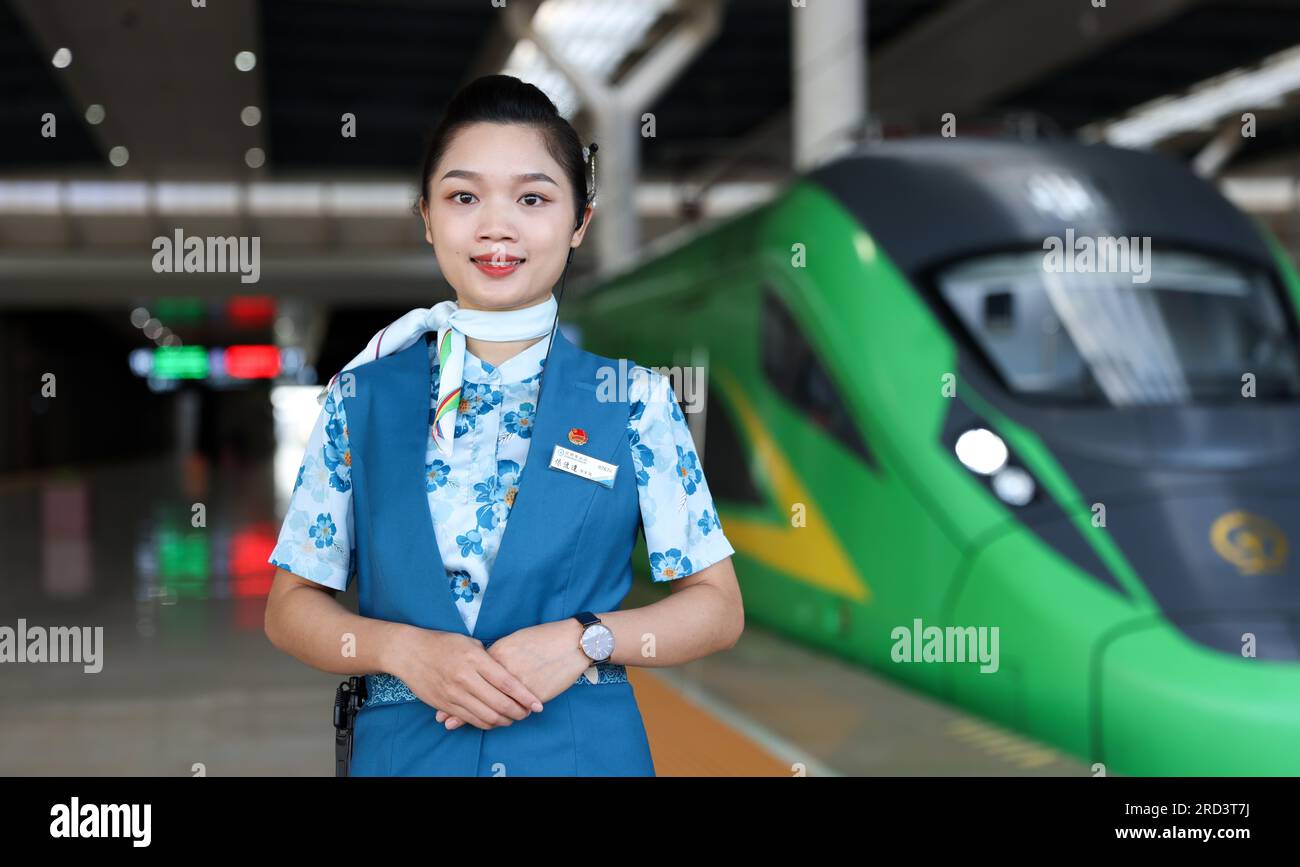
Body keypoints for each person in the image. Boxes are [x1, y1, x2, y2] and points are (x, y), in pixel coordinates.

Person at [263, 74, 743, 776]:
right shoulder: (359, 398)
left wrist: (586, 639)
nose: (496, 226)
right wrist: (401, 649)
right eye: (464, 197)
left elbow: (717, 607)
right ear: (427, 216)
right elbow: (290, 607)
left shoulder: (634, 400)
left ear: (579, 222)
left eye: (532, 198)